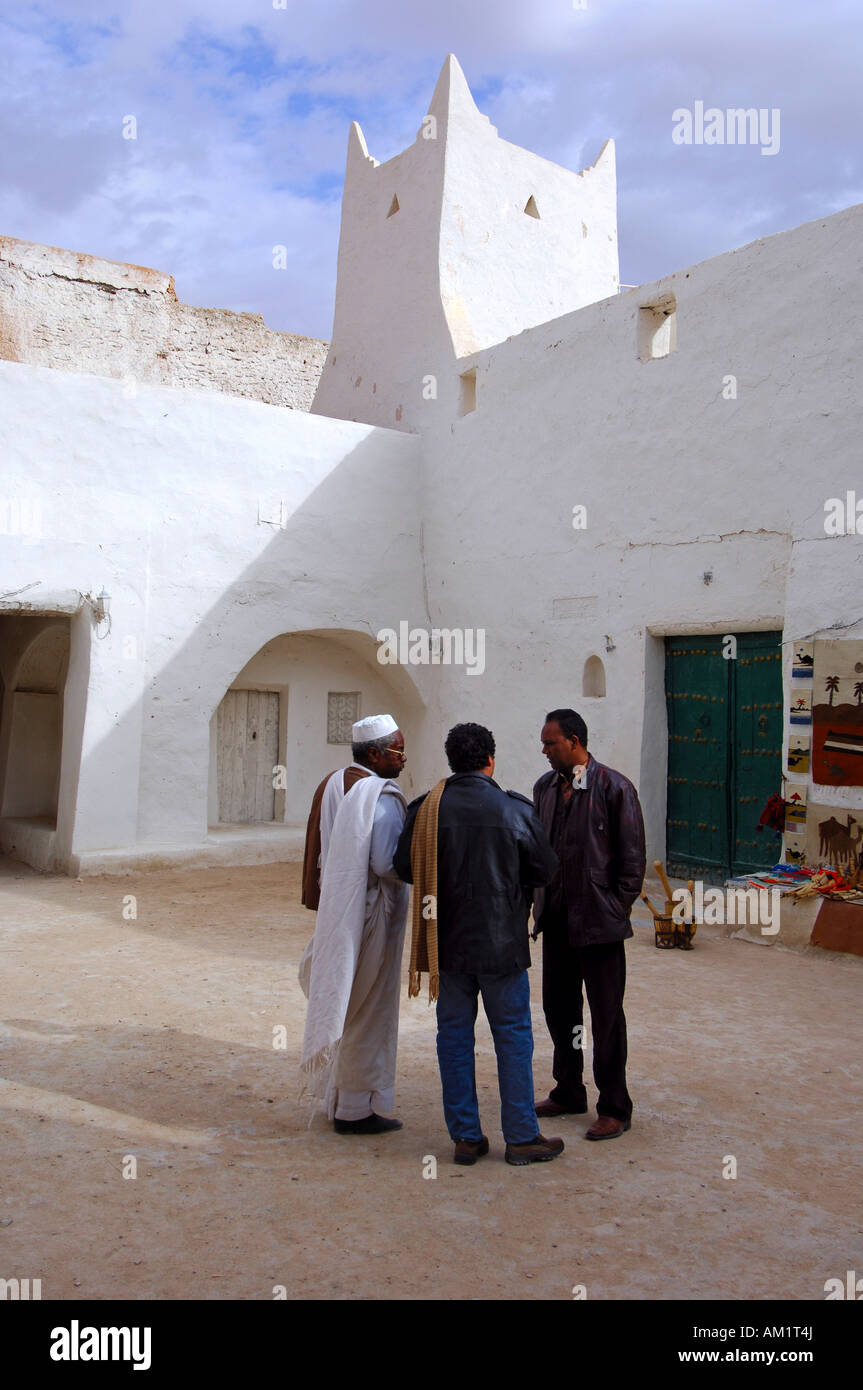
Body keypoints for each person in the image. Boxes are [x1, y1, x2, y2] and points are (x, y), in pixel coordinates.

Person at [394, 722, 563, 1166]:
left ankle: (466, 1138)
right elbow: (545, 870)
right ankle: (522, 1137)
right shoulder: (514, 810)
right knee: (512, 1038)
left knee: (453, 1036)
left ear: (452, 762)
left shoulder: (427, 808)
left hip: (446, 947)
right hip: (502, 946)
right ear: (491, 758)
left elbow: (405, 867)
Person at [532, 708, 646, 1139]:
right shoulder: (544, 789)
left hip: (599, 927)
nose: (544, 750)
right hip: (557, 923)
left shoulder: (614, 787)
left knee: (606, 1017)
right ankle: (567, 1090)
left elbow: (632, 860)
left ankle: (614, 1104)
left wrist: (614, 908)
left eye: (551, 743)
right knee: (560, 1012)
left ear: (574, 741)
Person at [298, 714, 410, 1135]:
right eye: (398, 751)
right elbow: (383, 862)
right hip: (369, 916)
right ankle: (356, 1110)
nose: (403, 759)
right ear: (376, 754)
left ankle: (341, 1099)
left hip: (337, 912)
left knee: (344, 1002)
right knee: (368, 1009)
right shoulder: (378, 795)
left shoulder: (332, 782)